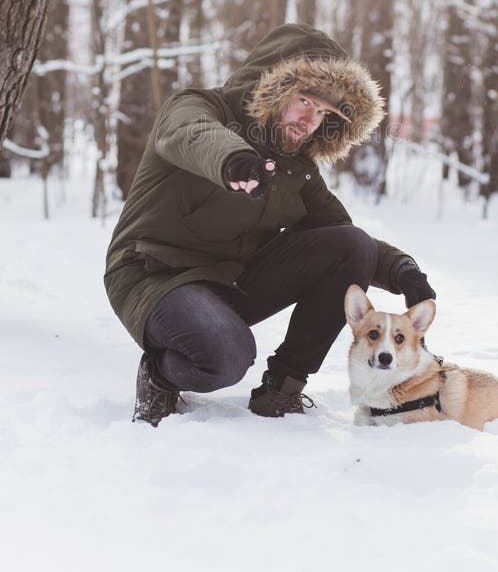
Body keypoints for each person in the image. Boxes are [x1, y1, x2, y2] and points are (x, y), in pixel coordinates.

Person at [104, 23, 436, 426]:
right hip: (155, 275)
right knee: (225, 358)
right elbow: (192, 134)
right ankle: (159, 376)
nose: (310, 120)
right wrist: (234, 160)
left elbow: (345, 240)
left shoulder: (296, 166)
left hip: (230, 281)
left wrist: (402, 270)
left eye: (323, 113)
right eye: (304, 101)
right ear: (274, 88)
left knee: (351, 246)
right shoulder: (198, 106)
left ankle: (282, 390)